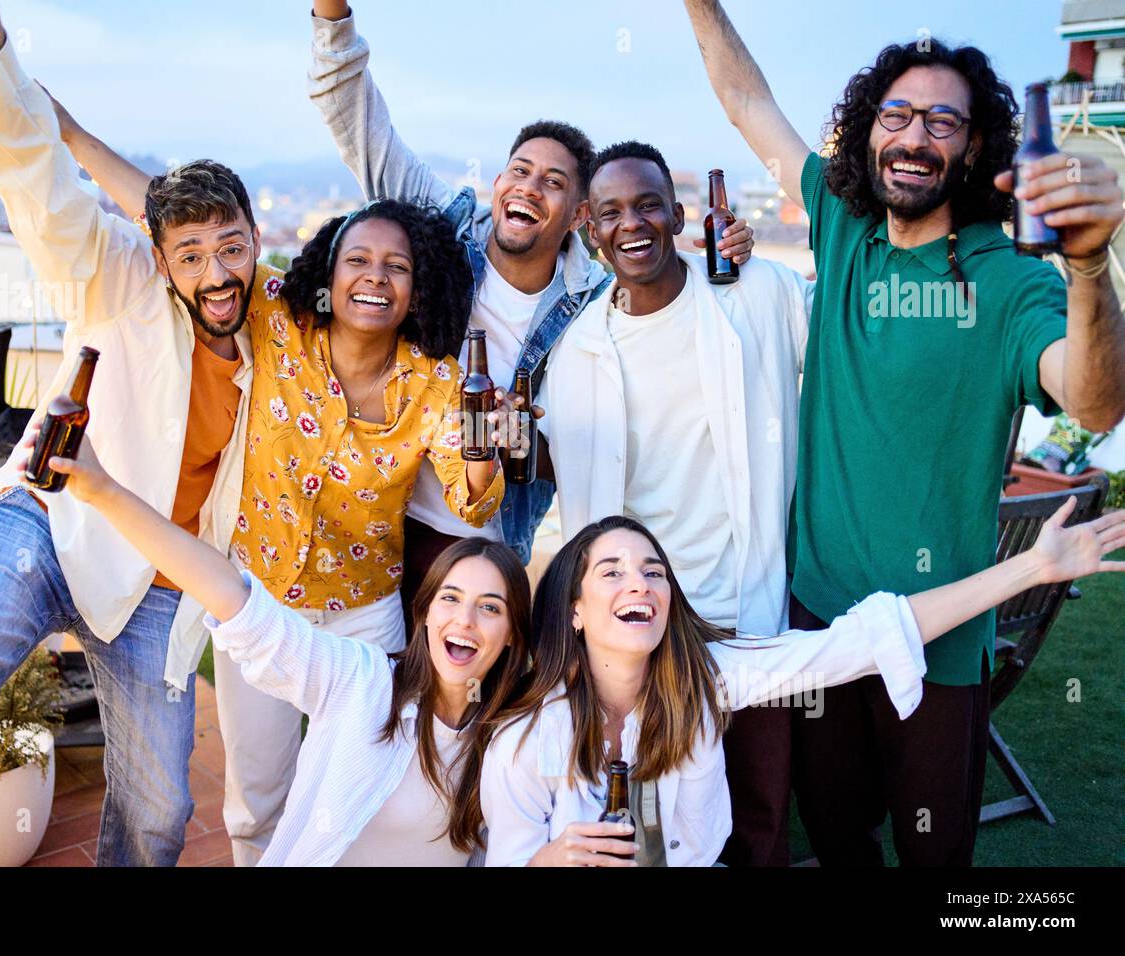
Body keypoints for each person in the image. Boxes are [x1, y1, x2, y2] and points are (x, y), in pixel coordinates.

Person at [0, 0, 279, 866]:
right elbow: (39, 184)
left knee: (161, 809)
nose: (215, 273)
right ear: (160, 258)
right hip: (48, 521)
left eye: (232, 248)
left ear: (257, 241)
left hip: (158, 576)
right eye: (190, 256)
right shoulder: (118, 273)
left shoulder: (273, 329)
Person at [683, 0, 1125, 865]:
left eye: (943, 121)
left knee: (934, 858)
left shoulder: (1009, 284)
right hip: (819, 623)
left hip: (940, 638)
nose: (915, 135)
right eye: (897, 114)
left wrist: (1087, 262)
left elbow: (1097, 402)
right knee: (840, 836)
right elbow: (745, 99)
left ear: (977, 148)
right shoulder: (843, 229)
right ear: (868, 132)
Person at [304, 1, 755, 614]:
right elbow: (356, 117)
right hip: (379, 517)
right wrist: (333, 13)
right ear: (497, 184)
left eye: (552, 181)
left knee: (462, 702)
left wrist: (731, 254)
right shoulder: (444, 225)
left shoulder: (598, 309)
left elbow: (632, 405)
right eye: (519, 170)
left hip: (484, 545)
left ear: (579, 217)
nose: (527, 186)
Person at [481, 511, 1125, 866]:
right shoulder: (524, 739)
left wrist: (1032, 568)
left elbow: (862, 641)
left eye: (654, 572)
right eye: (612, 572)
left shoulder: (708, 678)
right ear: (573, 609)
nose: (639, 584)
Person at [14, 427, 530, 866]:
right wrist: (102, 489)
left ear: (511, 635)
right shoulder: (363, 681)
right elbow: (229, 595)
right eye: (451, 598)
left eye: (490, 607)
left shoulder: (512, 738)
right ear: (425, 613)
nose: (464, 619)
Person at [537, 140, 812, 866]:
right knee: (655, 823)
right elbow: (532, 454)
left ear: (681, 215)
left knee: (759, 813)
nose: (632, 223)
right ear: (590, 231)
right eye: (611, 212)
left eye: (648, 204)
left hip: (744, 609)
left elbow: (853, 350)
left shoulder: (760, 294)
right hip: (644, 627)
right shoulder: (576, 350)